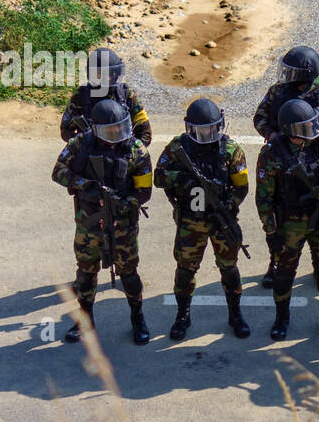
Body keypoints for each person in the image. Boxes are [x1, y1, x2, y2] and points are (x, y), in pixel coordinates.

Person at [51, 98, 153, 345]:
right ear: (95, 129)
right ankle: (85, 320)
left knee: (129, 273)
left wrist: (121, 204)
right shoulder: (80, 144)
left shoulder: (136, 149)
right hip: (88, 224)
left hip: (123, 225)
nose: (117, 134)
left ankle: (138, 318)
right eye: (110, 130)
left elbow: (143, 192)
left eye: (120, 127)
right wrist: (85, 185)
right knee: (86, 273)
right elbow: (58, 172)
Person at [154, 98, 252, 341]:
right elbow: (159, 177)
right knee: (185, 270)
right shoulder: (178, 148)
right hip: (190, 222)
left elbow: (241, 188)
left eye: (211, 129)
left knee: (229, 268)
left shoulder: (231, 150)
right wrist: (184, 181)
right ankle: (183, 315)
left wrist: (224, 206)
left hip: (221, 221)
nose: (207, 134)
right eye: (200, 130)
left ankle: (235, 313)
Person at [255, 99, 319, 342]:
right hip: (290, 223)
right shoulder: (270, 154)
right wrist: (271, 232)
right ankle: (282, 318)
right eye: (302, 131)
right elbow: (264, 198)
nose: (309, 135)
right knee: (284, 273)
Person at [253, 45, 319, 287]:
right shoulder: (277, 92)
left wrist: (318, 152)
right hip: (282, 166)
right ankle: (276, 263)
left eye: (291, 71)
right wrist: (276, 138)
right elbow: (260, 118)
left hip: (317, 168)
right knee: (278, 216)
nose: (286, 75)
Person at [59, 47, 151, 147]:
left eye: (107, 74)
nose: (104, 78)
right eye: (98, 75)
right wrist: (82, 142)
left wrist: (131, 151)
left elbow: (146, 134)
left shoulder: (127, 96)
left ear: (115, 74)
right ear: (90, 74)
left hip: (122, 155)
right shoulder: (80, 98)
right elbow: (65, 130)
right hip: (90, 154)